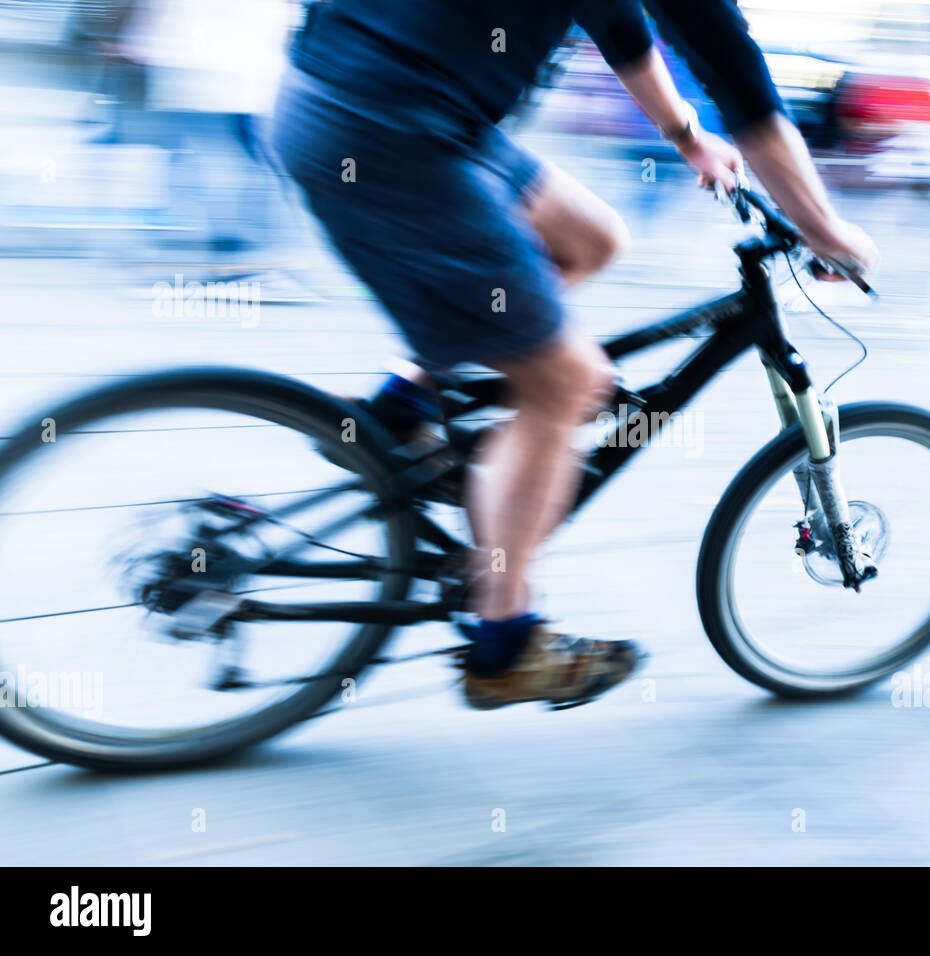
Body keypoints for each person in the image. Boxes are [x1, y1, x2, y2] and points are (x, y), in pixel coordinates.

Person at [270, 0, 880, 710]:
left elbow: (620, 25)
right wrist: (825, 229)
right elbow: (734, 71)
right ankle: (505, 644)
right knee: (569, 382)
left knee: (591, 236)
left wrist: (689, 141)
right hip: (393, 135)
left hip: (355, 102)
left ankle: (402, 406)